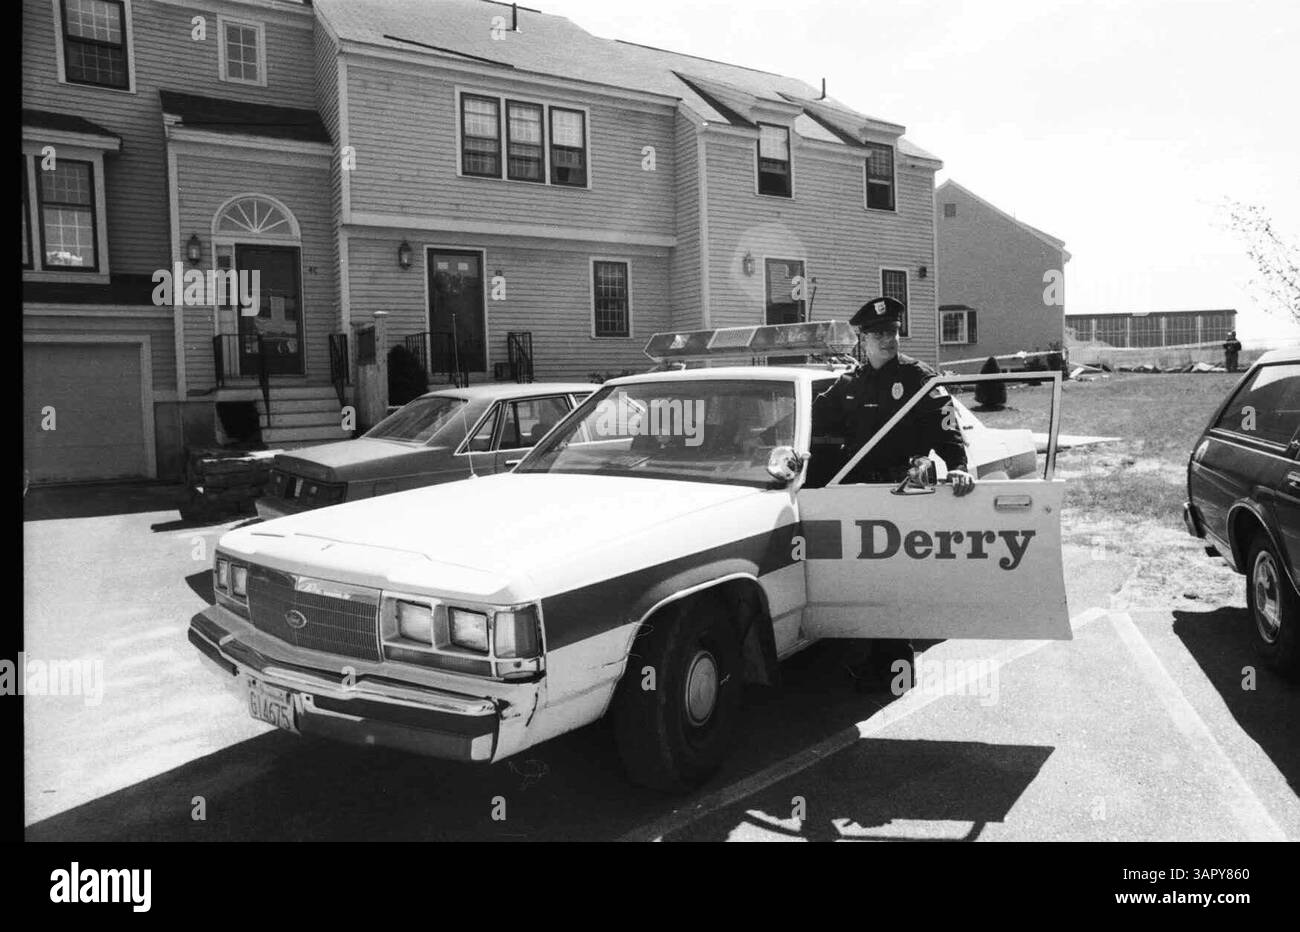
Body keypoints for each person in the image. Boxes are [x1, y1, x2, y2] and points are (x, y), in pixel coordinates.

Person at [827, 296, 974, 495]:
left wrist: (957, 467)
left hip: (908, 488)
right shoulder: (851, 383)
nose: (888, 339)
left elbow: (946, 428)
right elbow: (816, 420)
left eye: (892, 332)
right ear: (863, 341)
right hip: (857, 489)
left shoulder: (918, 377)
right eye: (879, 334)